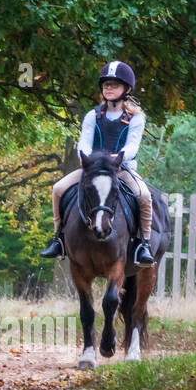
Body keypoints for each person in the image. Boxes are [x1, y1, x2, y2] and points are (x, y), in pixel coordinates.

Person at [41, 61, 155, 265]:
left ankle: (143, 244)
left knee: (144, 196)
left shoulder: (136, 118)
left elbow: (132, 147)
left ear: (126, 89)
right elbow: (84, 143)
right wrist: (87, 157)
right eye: (106, 85)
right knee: (58, 189)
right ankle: (58, 238)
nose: (108, 89)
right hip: (92, 170)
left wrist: (115, 158)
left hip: (121, 169)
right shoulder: (92, 115)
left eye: (114, 85)